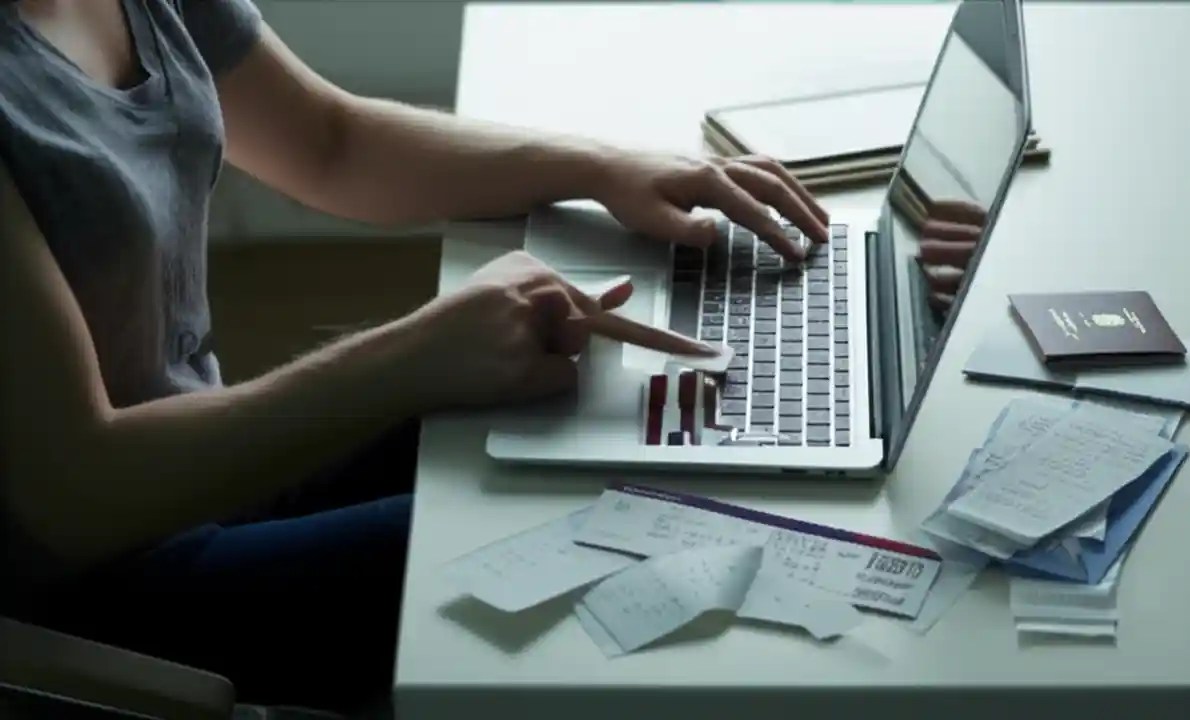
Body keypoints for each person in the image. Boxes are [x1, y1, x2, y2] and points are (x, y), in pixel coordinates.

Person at [0, 0, 832, 712]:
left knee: (601, 432)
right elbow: (79, 493)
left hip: (197, 462)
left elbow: (331, 142)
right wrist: (418, 350)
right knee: (588, 539)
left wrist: (602, 167)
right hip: (91, 593)